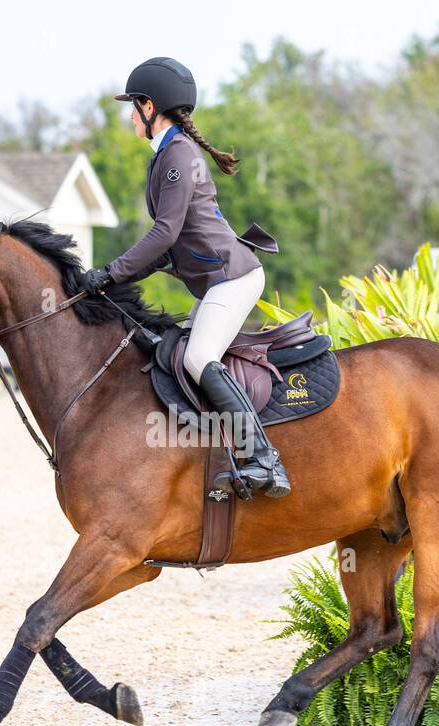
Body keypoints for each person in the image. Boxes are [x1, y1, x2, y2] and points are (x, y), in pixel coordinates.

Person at [79, 57, 289, 499]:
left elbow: (164, 233)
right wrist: (112, 280)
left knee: (197, 359)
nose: (129, 116)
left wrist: (112, 270)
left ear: (149, 106)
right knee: (175, 356)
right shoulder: (165, 158)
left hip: (232, 278)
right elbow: (170, 245)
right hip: (217, 281)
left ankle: (264, 460)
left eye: (132, 107)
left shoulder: (177, 155)